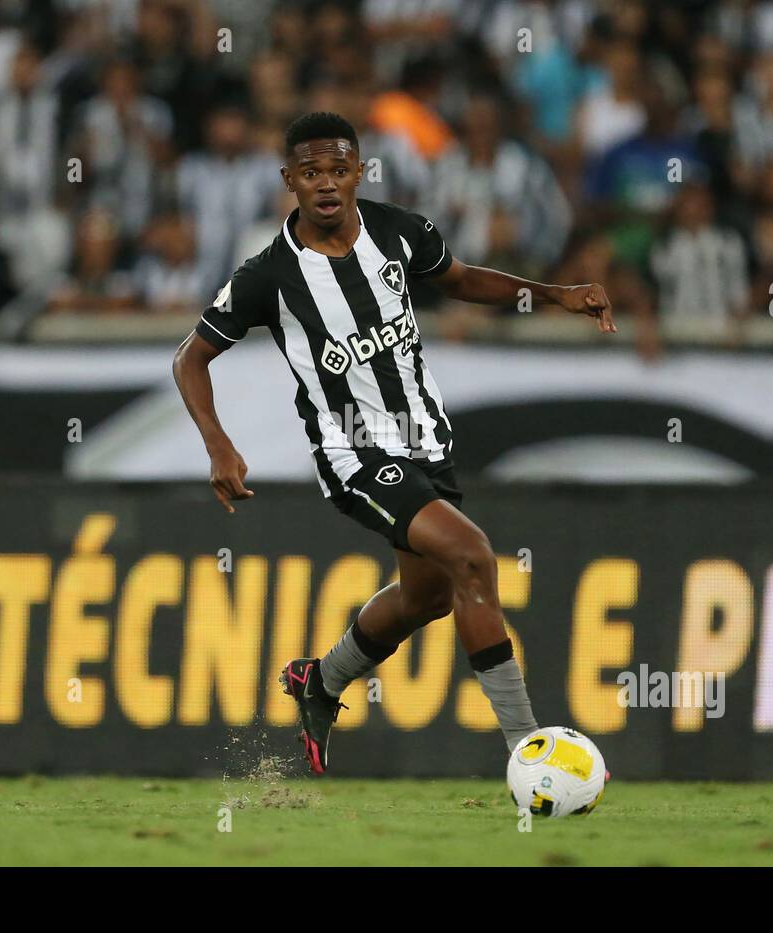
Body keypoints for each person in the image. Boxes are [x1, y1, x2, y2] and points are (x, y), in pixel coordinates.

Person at [171, 112, 614, 773]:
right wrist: (218, 444)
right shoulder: (267, 276)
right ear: (289, 180)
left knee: (431, 596)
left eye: (339, 170)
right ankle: (529, 751)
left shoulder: (397, 230)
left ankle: (319, 680)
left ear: (360, 172)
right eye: (312, 173)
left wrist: (553, 295)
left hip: (425, 441)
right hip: (354, 452)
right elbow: (190, 359)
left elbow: (460, 279)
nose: (327, 184)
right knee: (471, 556)